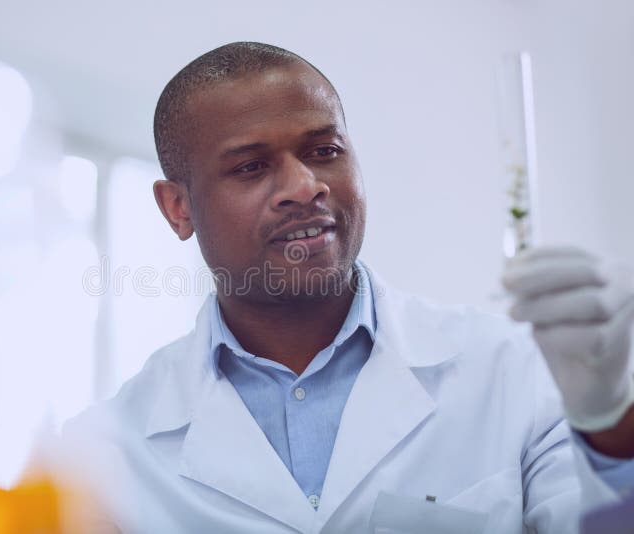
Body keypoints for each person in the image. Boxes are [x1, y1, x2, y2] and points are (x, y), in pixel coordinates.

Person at [61, 42, 634, 533]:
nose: (304, 186)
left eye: (323, 151)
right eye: (250, 168)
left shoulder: (514, 373)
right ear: (178, 207)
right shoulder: (104, 455)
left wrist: (611, 431)